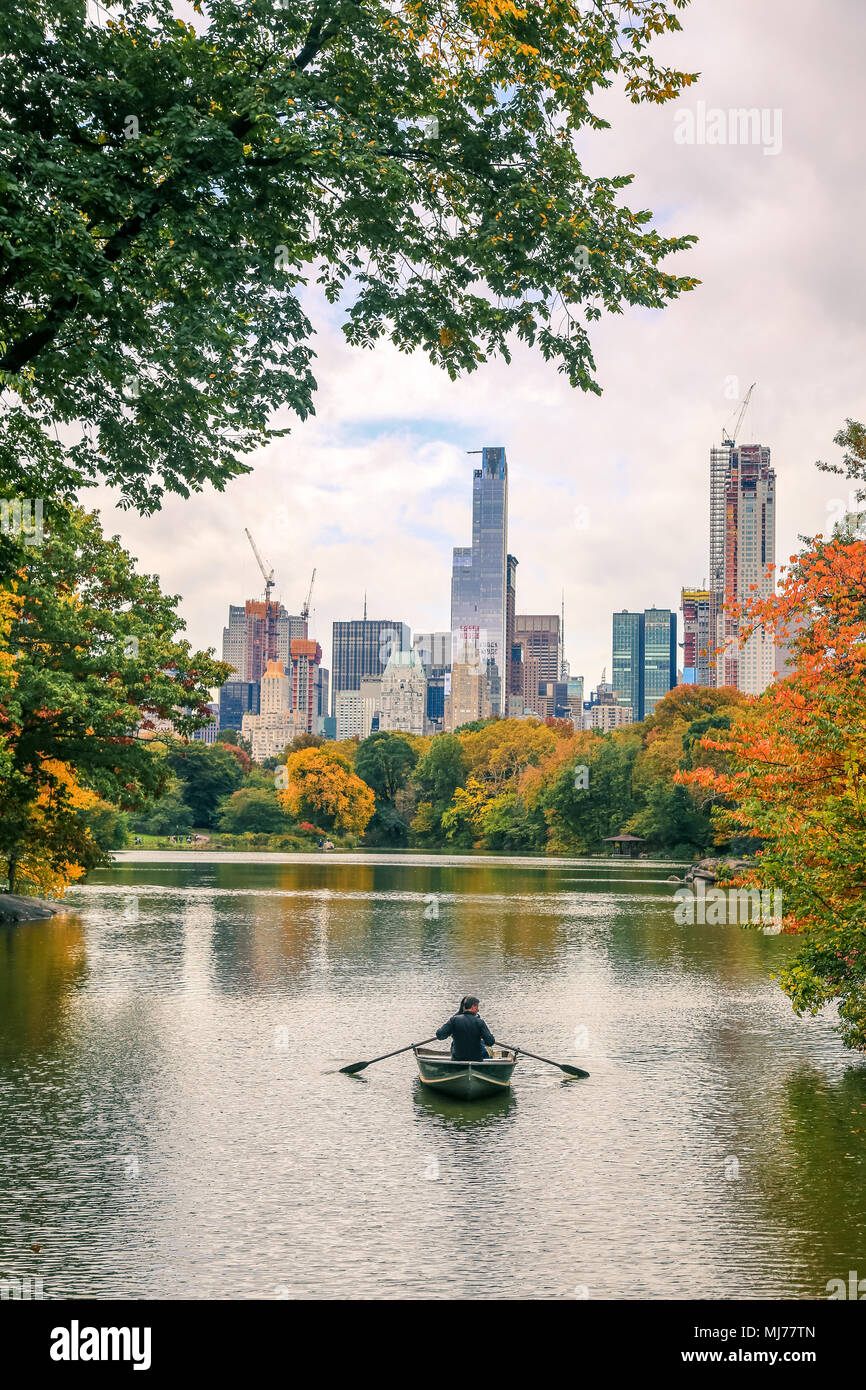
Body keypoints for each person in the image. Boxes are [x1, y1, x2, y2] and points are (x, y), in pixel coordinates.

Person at [435, 996, 495, 1061]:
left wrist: (451, 1032)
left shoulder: (453, 1020)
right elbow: (490, 1041)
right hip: (476, 1060)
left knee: (453, 1044)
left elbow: (439, 1035)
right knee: (486, 1048)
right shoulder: (480, 1022)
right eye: (477, 1007)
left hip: (458, 1060)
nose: (478, 1010)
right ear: (473, 1007)